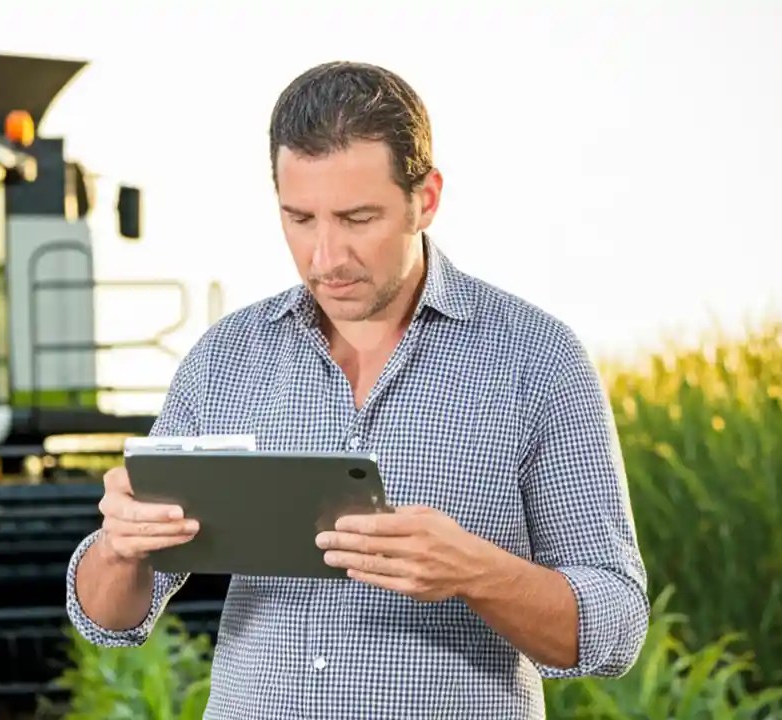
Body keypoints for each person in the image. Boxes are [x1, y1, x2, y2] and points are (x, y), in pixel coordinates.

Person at [64, 60, 649, 718]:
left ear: (425, 199)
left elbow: (616, 627)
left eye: (357, 218)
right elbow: (108, 621)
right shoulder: (225, 359)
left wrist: (474, 571)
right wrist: (119, 548)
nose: (326, 257)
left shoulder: (538, 360)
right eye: (301, 218)